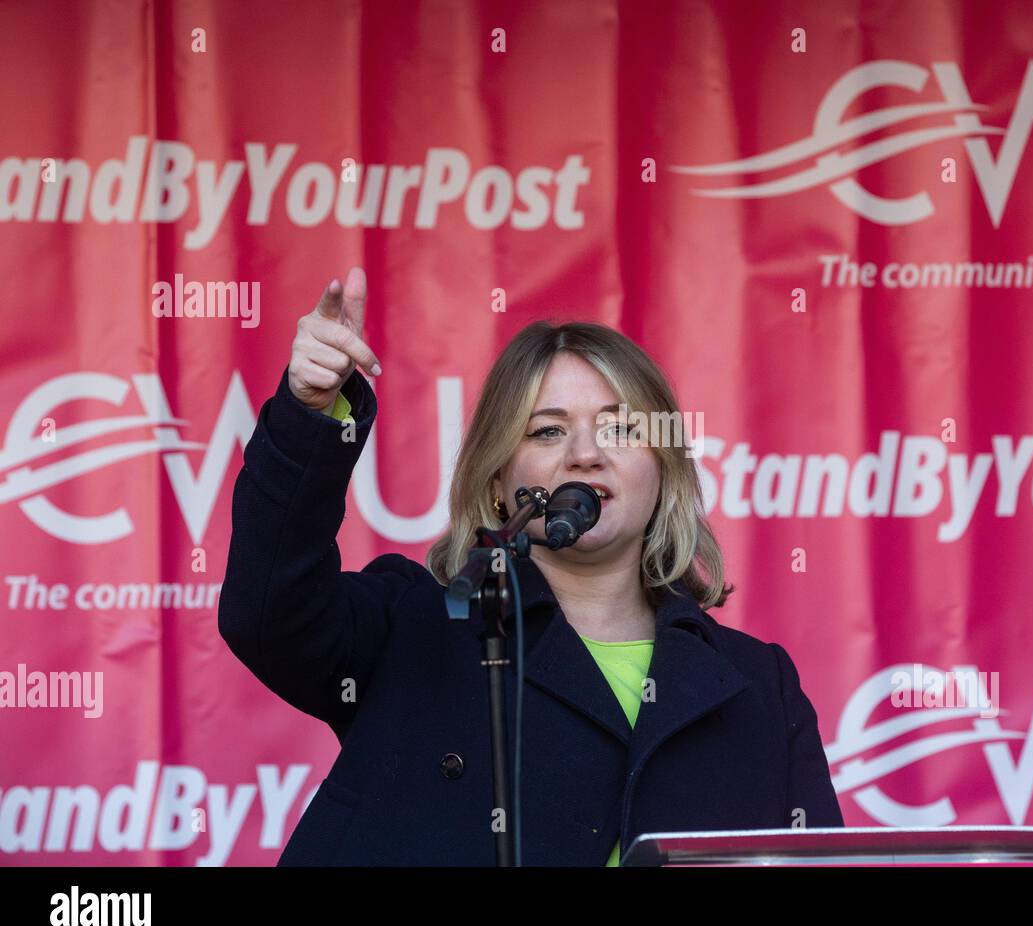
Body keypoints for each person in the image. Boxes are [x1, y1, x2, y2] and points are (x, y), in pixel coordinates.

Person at [218, 266, 844, 866]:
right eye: (547, 432)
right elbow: (268, 614)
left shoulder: (760, 685)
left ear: (665, 472)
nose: (585, 455)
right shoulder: (413, 628)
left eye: (620, 429)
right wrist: (309, 413)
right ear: (497, 482)